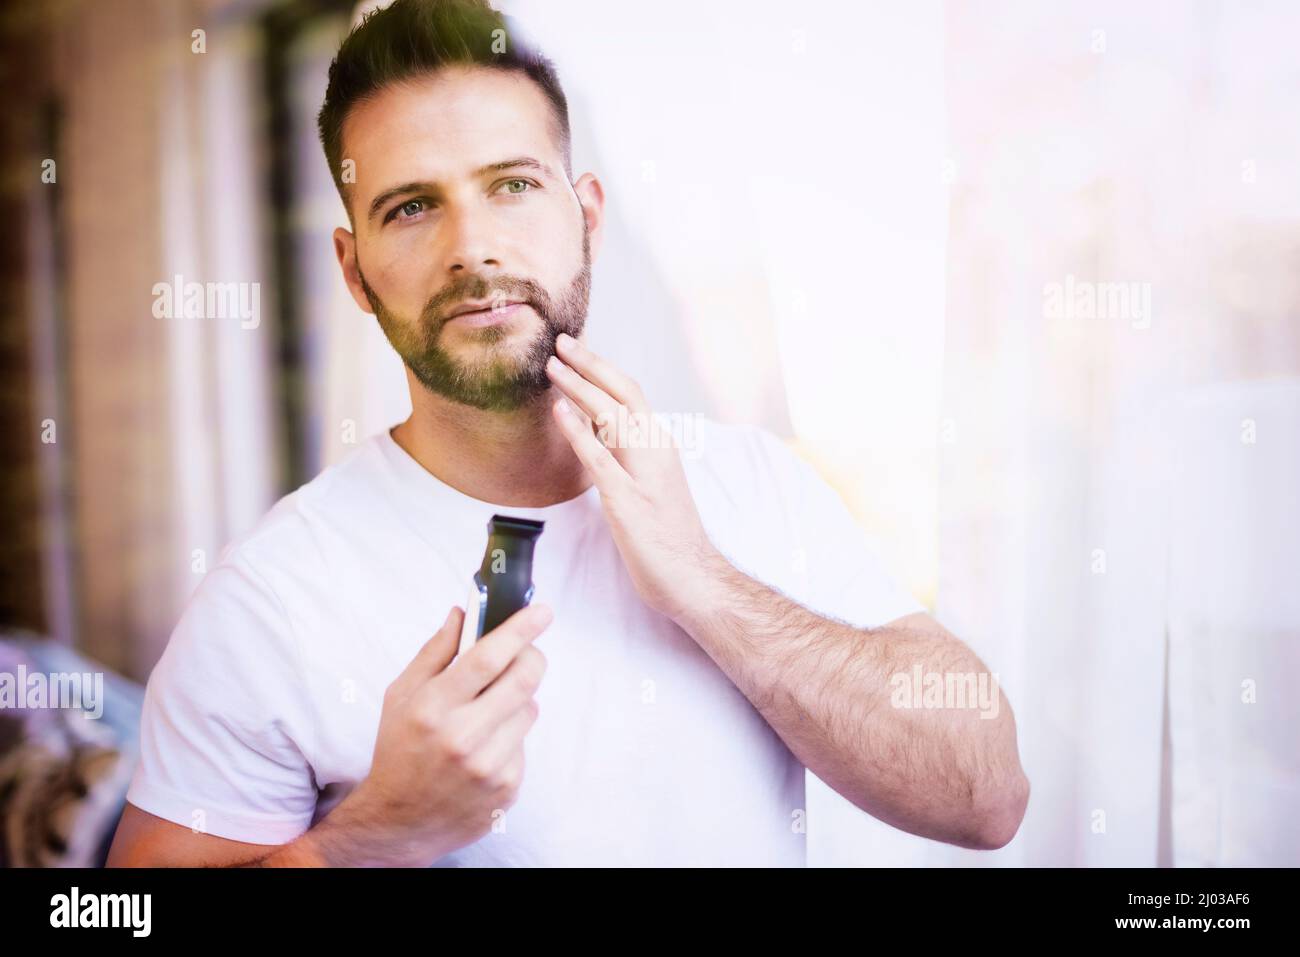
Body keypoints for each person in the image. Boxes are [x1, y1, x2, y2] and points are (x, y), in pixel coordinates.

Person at [108, 0, 1028, 867]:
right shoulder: (269, 597)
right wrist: (371, 835)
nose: (473, 246)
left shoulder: (751, 485)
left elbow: (987, 795)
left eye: (511, 184)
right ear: (354, 270)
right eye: (412, 207)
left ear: (587, 214)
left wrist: (704, 583)